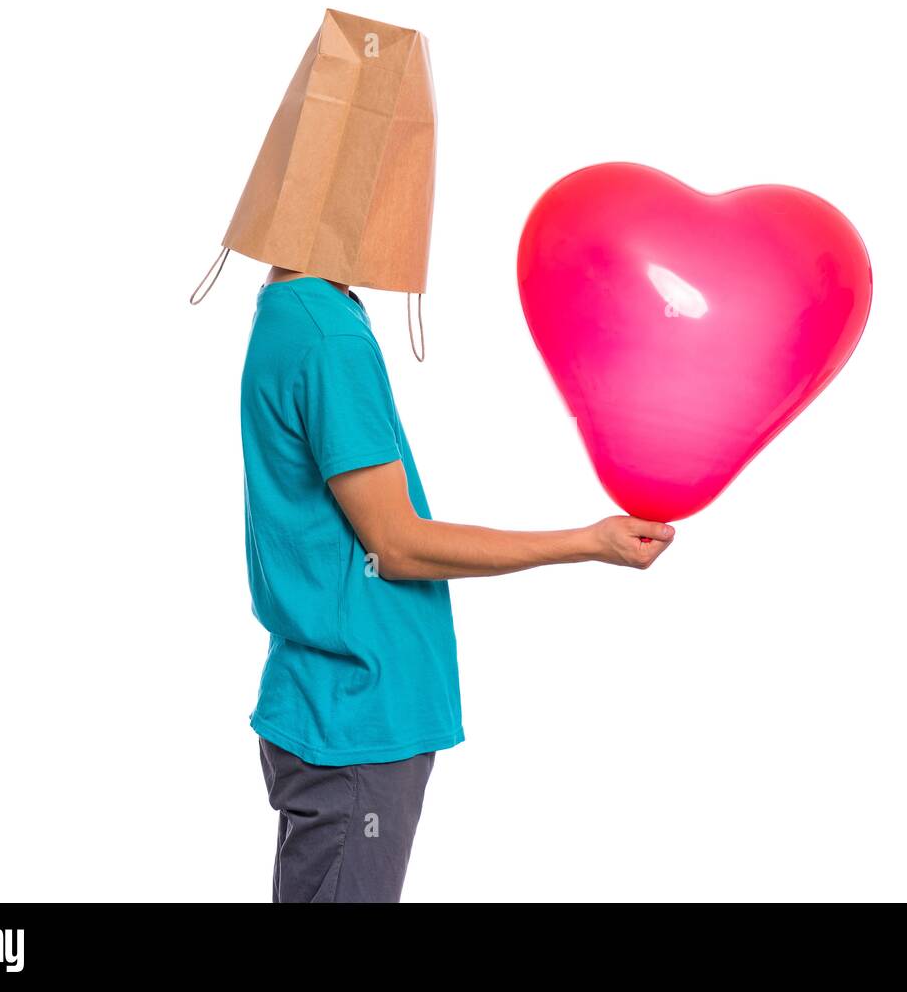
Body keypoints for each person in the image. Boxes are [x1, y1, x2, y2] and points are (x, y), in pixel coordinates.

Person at [241, 263, 675, 902]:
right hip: (359, 716)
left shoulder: (288, 306)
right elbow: (396, 543)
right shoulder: (329, 336)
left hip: (330, 701)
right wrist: (587, 542)